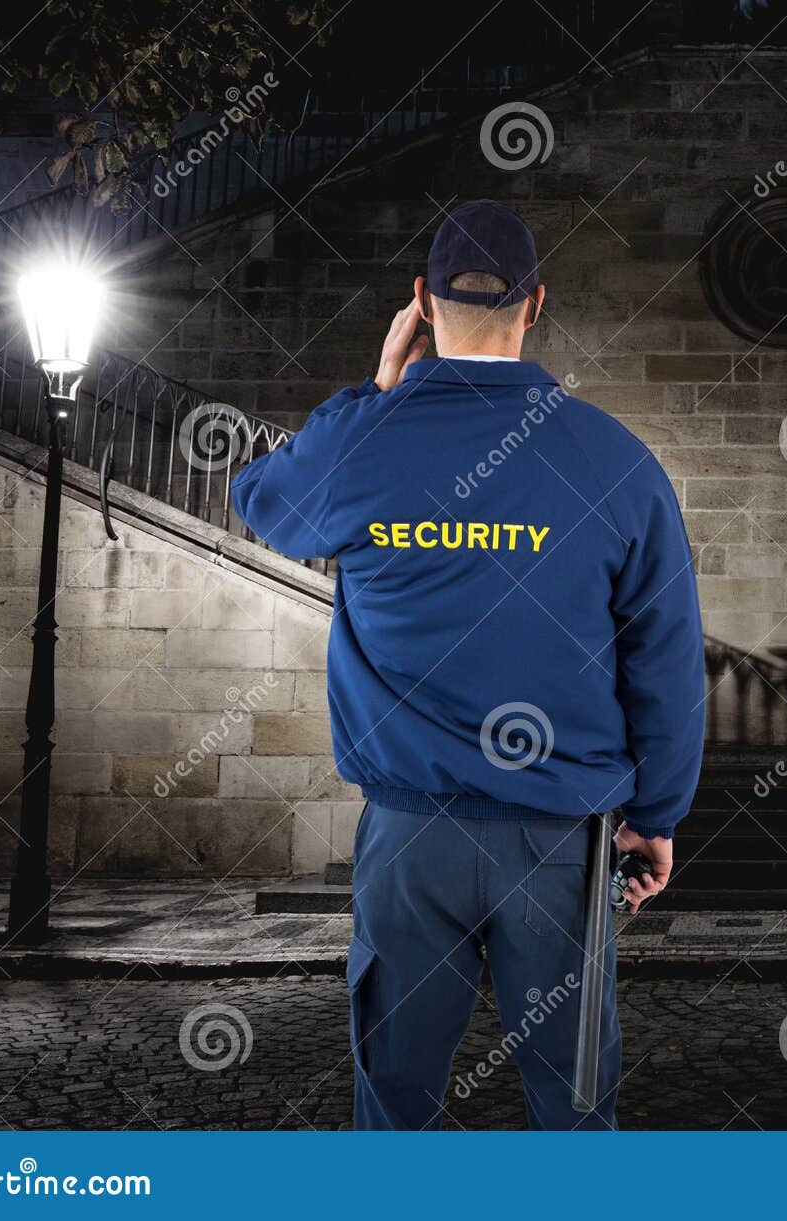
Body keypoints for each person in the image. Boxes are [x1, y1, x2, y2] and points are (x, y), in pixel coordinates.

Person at [230, 199, 704, 1130]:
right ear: (537, 305)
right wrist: (656, 816)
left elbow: (262, 500)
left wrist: (377, 390)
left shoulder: (367, 443)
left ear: (420, 301)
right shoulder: (618, 462)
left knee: (397, 1107)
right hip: (561, 841)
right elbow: (666, 660)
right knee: (573, 1114)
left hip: (410, 838)